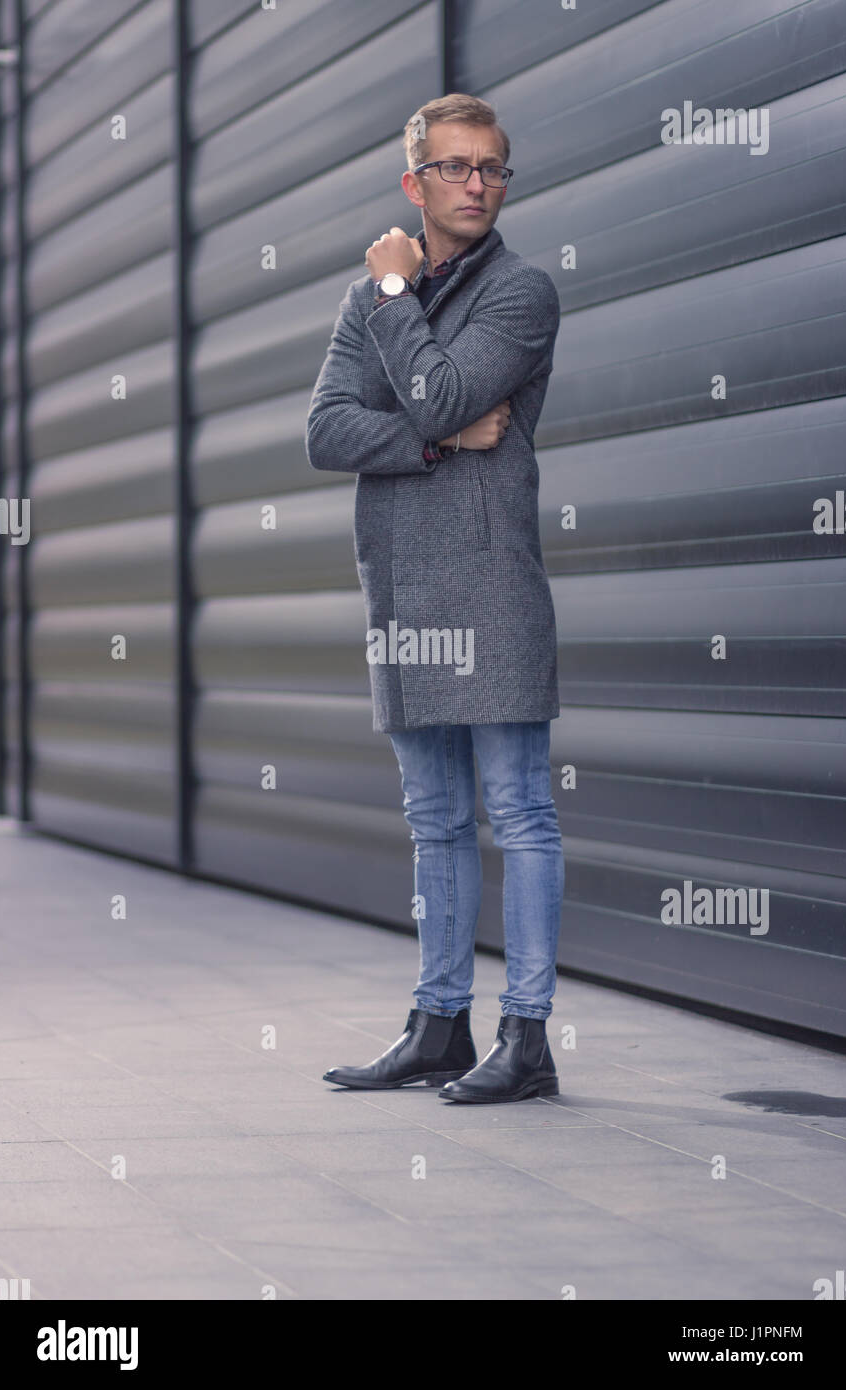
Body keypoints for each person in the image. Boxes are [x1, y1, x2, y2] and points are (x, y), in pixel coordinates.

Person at [305, 94, 564, 1103]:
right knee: (434, 818)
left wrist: (392, 299)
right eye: (453, 168)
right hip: (404, 590)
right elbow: (327, 432)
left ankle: (528, 1036)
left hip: (489, 586)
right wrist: (431, 440)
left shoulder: (522, 294)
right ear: (413, 184)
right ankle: (438, 1022)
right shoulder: (371, 294)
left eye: (491, 168)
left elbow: (445, 390)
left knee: (520, 812)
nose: (475, 184)